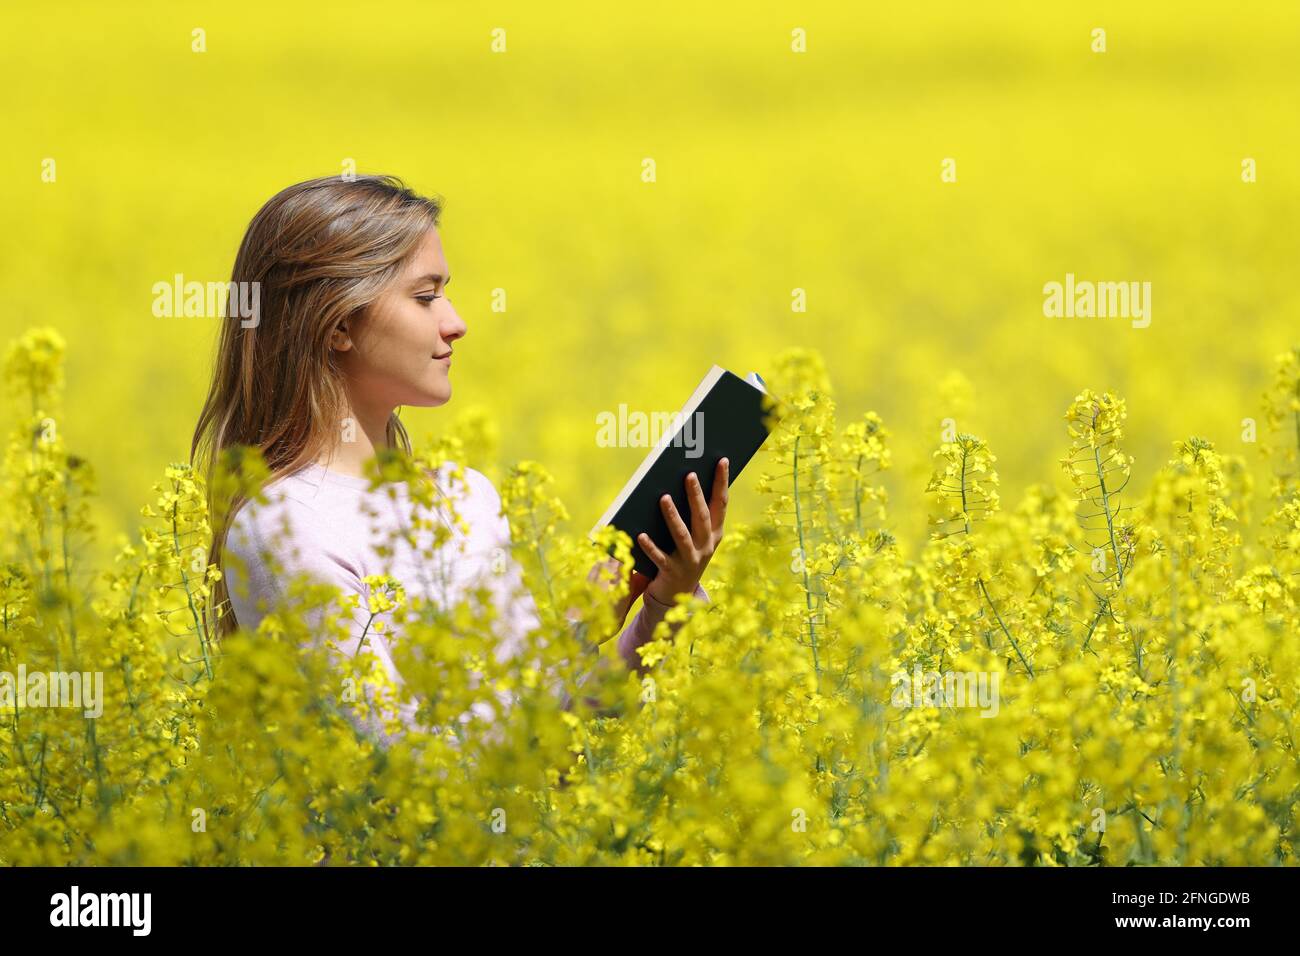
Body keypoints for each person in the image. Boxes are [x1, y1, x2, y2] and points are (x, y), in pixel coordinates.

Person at [189, 174, 728, 744]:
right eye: (426, 297)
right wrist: (575, 626)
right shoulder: (284, 526)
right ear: (340, 323)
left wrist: (661, 604)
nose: (456, 322)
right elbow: (396, 765)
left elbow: (560, 724)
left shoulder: (464, 498)